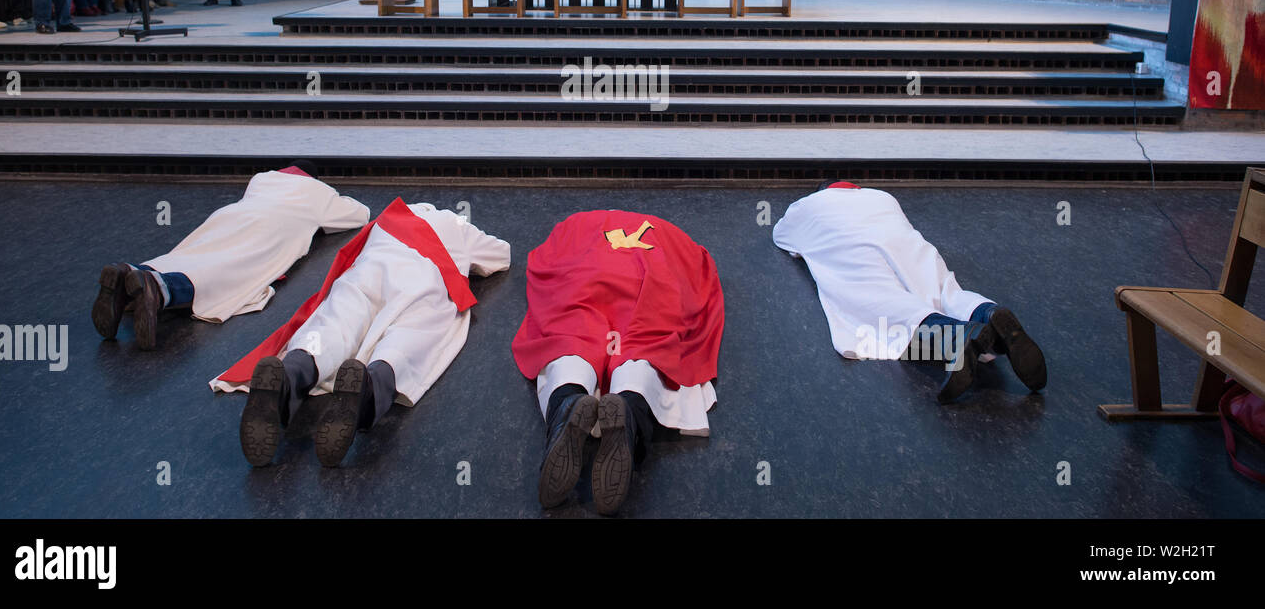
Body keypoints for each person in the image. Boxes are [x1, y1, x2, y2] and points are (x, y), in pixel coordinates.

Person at [213, 197, 510, 468]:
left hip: (366, 272)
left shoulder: (385, 220)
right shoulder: (454, 223)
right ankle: (366, 389)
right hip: (420, 280)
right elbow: (501, 255)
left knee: (333, 328)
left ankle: (289, 377)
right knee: (405, 341)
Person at [512, 211, 725, 514]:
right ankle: (630, 408)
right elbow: (699, 277)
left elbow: (540, 263)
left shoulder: (572, 226)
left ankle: (566, 401)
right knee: (646, 340)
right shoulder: (674, 236)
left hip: (588, 274)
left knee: (574, 333)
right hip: (650, 277)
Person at [772, 182, 1047, 404]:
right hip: (907, 245)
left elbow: (781, 235)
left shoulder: (806, 206)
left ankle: (955, 337)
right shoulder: (882, 196)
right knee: (943, 290)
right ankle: (989, 314)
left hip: (858, 251)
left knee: (883, 304)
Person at [92, 162, 369, 353]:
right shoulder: (318, 192)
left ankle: (131, 272)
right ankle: (161, 289)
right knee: (227, 272)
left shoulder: (262, 178)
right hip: (271, 229)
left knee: (195, 253)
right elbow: (359, 214)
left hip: (231, 216)